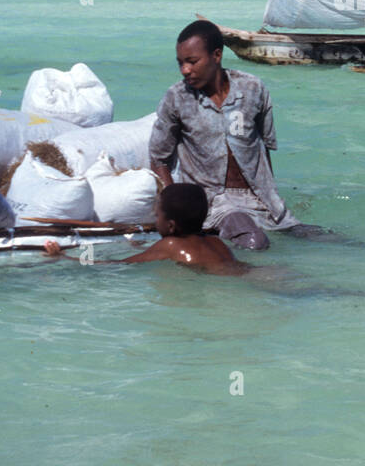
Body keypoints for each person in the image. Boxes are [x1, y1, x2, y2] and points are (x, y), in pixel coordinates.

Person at [149, 20, 323, 244]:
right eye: (180, 63)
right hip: (216, 204)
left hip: (263, 200)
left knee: (324, 239)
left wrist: (273, 197)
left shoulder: (253, 88)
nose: (185, 70)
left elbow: (263, 148)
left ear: (217, 55)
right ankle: (270, 278)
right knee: (254, 241)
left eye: (192, 62)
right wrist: (176, 211)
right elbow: (159, 159)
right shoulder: (177, 98)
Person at [44, 184, 244, 275]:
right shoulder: (215, 242)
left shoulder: (171, 244)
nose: (155, 220)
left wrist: (63, 257)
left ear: (171, 226)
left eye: (157, 215)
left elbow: (118, 264)